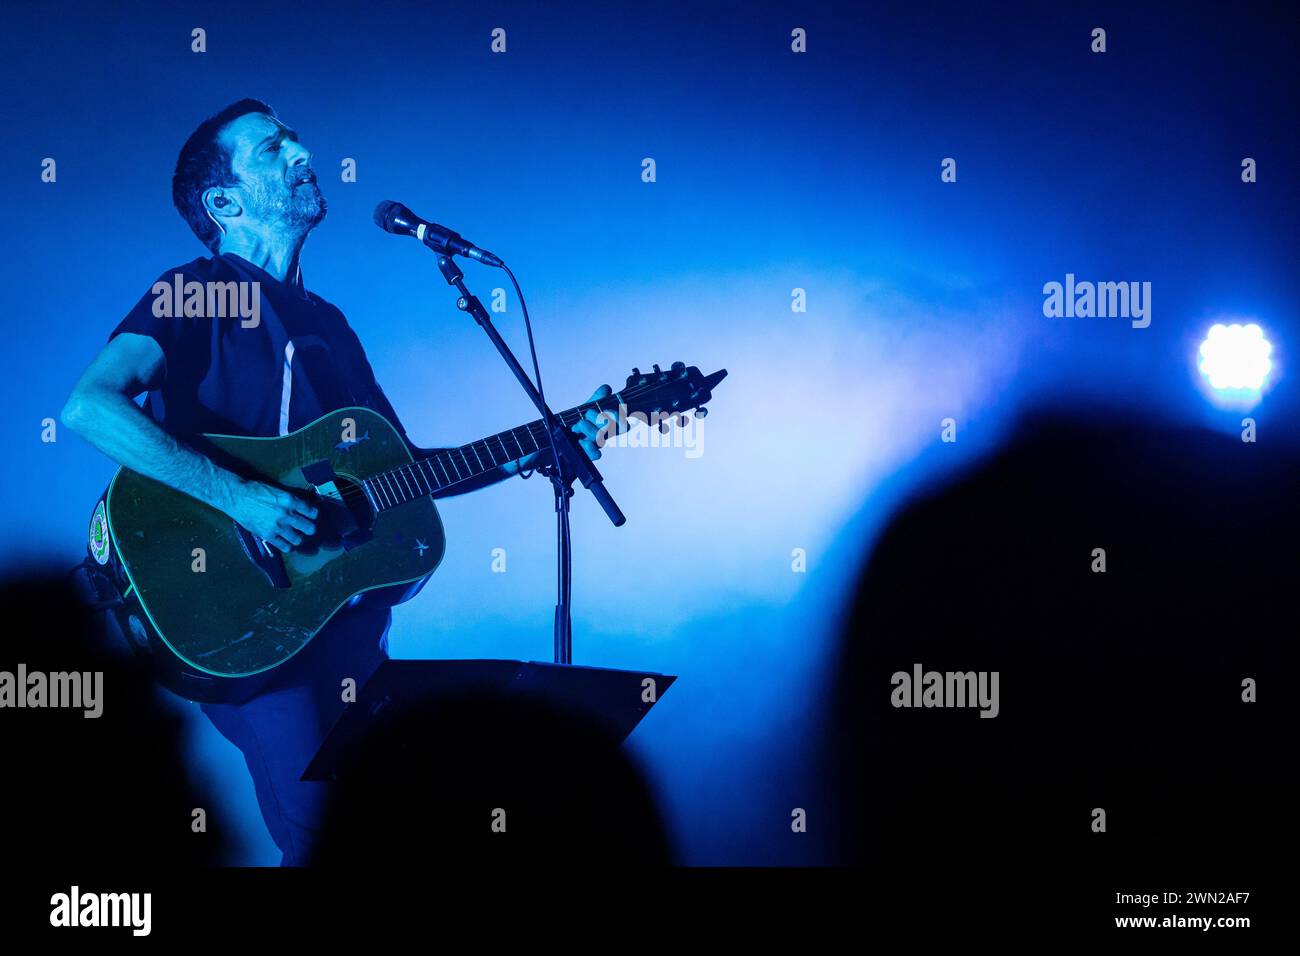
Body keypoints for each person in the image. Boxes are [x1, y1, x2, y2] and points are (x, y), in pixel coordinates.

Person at [60, 98, 612, 865]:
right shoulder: (197, 288)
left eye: (294, 136)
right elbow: (90, 405)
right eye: (272, 147)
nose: (300, 148)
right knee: (326, 832)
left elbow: (401, 472)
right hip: (240, 611)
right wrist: (244, 498)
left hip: (340, 618)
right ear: (224, 202)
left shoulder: (329, 321)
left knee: (417, 811)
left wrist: (531, 448)